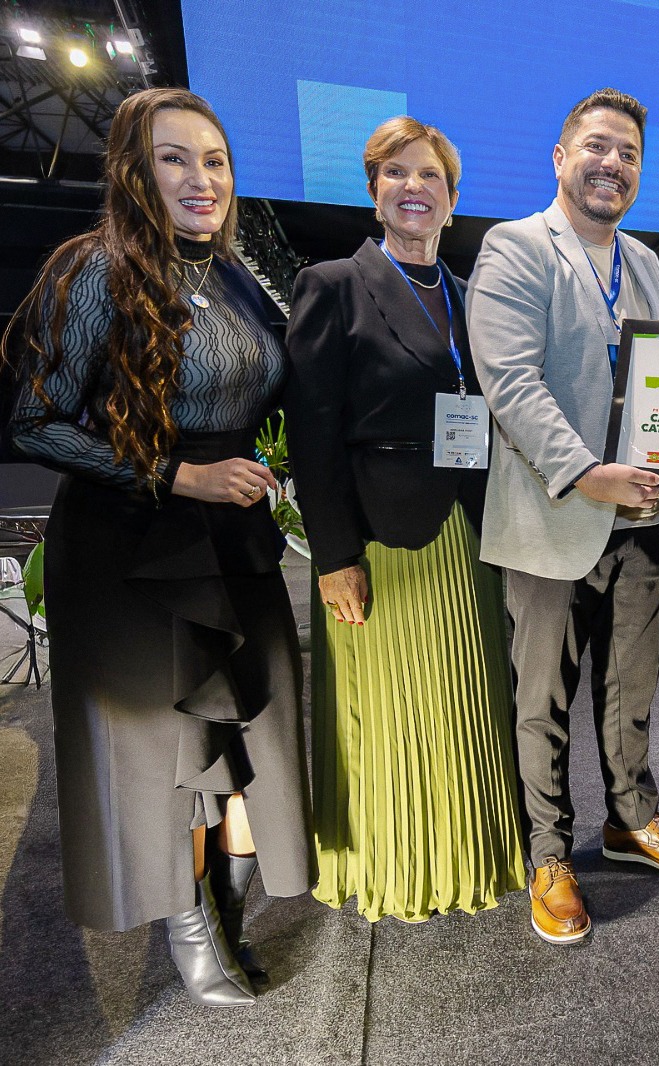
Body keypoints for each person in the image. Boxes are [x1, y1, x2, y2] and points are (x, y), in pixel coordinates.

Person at [4, 88, 313, 1006]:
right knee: (173, 756)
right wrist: (182, 476)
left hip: (233, 537)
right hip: (133, 542)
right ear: (134, 172)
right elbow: (35, 423)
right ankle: (189, 925)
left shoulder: (232, 276)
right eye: (175, 158)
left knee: (248, 737)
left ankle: (222, 897)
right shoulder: (94, 270)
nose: (201, 177)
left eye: (214, 160)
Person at [467, 88, 659, 946]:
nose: (613, 165)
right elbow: (511, 383)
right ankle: (548, 853)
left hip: (640, 521)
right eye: (598, 148)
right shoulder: (514, 247)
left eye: (629, 155)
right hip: (549, 519)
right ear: (561, 157)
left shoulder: (644, 261)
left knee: (630, 690)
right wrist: (585, 474)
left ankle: (629, 819)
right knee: (542, 699)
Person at [283, 117, 524, 923]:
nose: (413, 186)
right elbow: (312, 435)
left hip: (467, 534)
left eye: (430, 176)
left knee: (469, 697)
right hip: (382, 539)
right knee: (393, 709)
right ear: (374, 190)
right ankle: (402, 862)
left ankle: (472, 849)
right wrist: (333, 554)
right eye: (396, 173)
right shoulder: (332, 284)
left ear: (453, 201)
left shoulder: (467, 296)